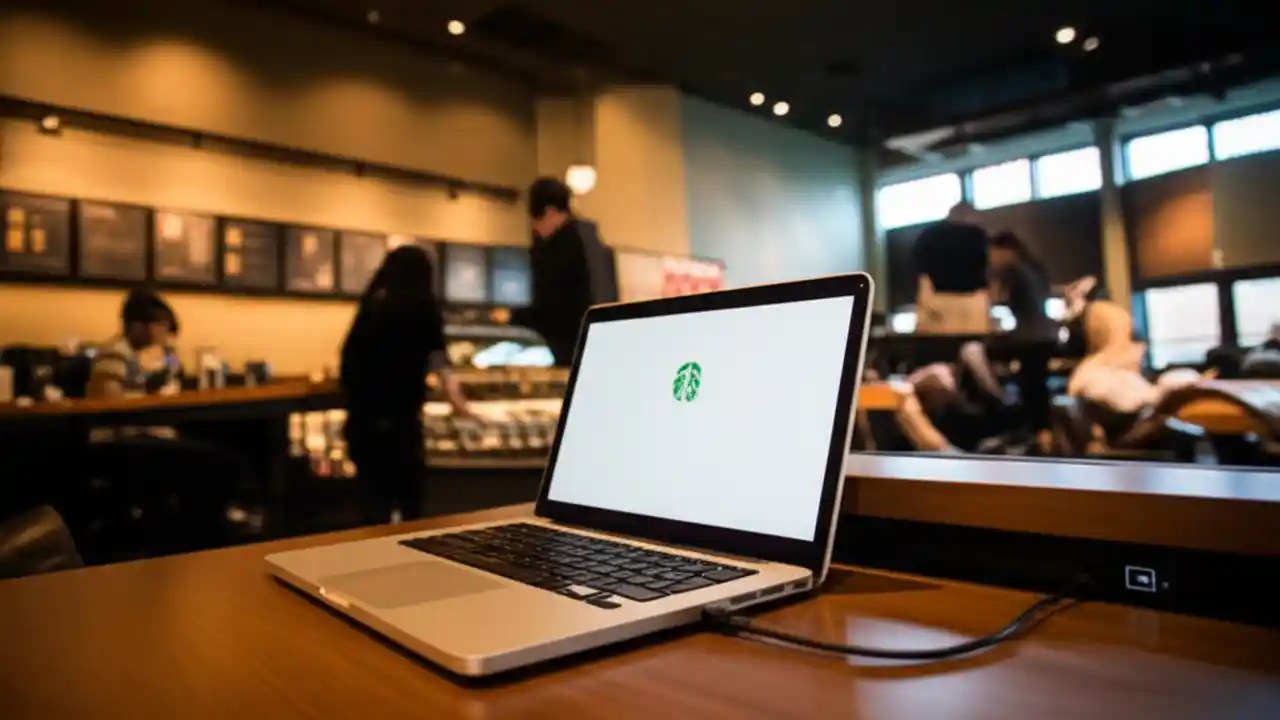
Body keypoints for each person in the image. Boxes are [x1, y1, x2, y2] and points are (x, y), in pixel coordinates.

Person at [341, 246, 471, 523]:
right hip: (402, 424)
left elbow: (348, 363)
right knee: (410, 510)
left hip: (363, 424)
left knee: (372, 506)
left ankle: (370, 558)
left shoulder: (371, 307)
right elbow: (441, 365)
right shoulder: (424, 309)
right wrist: (461, 406)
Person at [505, 177, 597, 366]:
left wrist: (513, 317)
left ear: (549, 212)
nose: (534, 228)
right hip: (586, 348)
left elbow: (551, 307)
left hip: (564, 350)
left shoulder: (559, 250)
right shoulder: (590, 241)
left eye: (535, 220)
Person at [987, 232, 1056, 433]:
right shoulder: (1035, 268)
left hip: (1029, 336)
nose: (992, 260)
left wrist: (994, 280)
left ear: (1007, 251)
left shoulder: (1015, 272)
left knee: (1031, 387)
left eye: (994, 254)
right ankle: (1044, 432)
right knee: (1036, 385)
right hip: (1046, 334)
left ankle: (1032, 429)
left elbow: (996, 299)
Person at [912, 202, 990, 334]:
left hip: (936, 300)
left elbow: (921, 275)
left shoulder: (926, 236)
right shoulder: (978, 236)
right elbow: (988, 269)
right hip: (972, 302)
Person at [88, 289, 181, 399]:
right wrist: (151, 395)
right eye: (161, 325)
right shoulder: (113, 355)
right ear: (137, 325)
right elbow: (110, 402)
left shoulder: (165, 353)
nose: (165, 335)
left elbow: (175, 368)